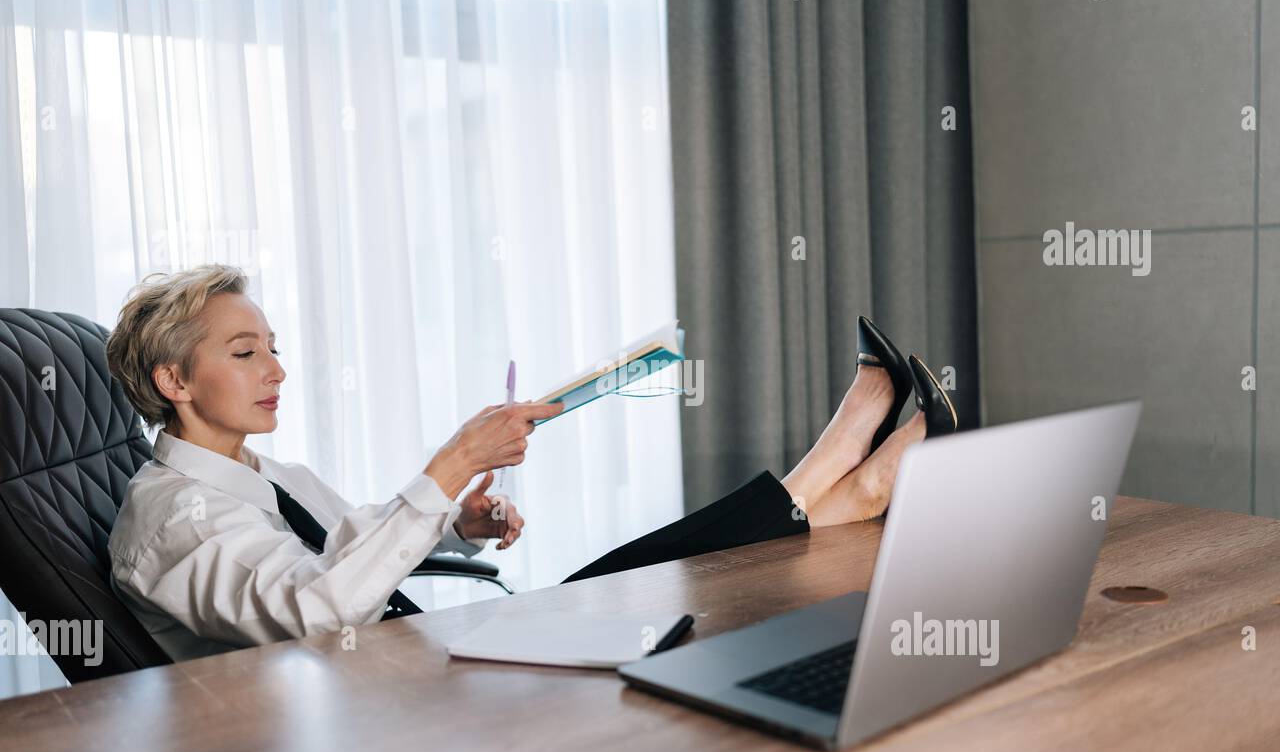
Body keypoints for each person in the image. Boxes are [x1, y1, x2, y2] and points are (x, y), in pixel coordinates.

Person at [106, 266, 955, 661]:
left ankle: (856, 477)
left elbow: (341, 551)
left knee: (655, 581)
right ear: (174, 379)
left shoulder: (271, 479)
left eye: (275, 349)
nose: (278, 371)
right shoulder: (173, 523)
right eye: (247, 352)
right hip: (363, 716)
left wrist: (455, 517)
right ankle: (853, 464)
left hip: (412, 661)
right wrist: (449, 465)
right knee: (658, 582)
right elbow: (315, 612)